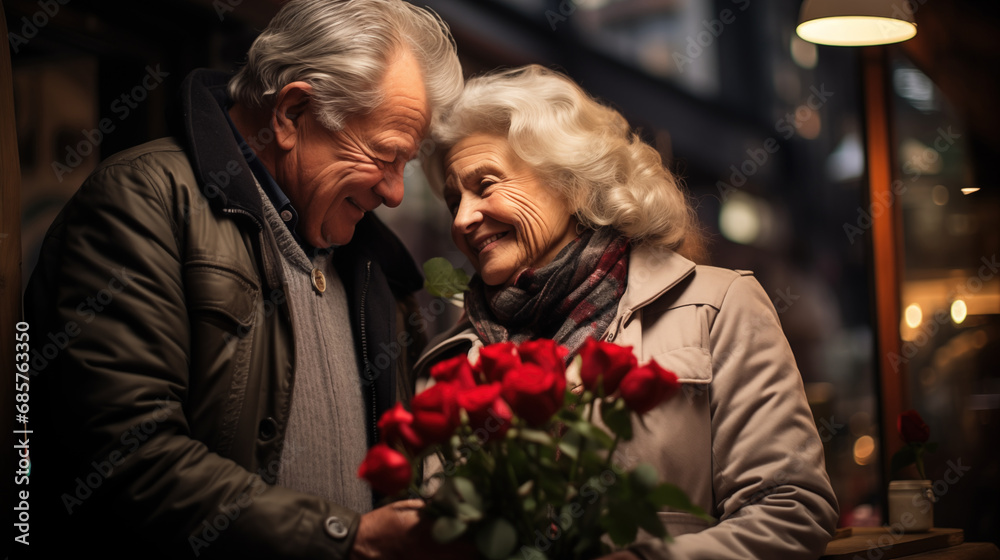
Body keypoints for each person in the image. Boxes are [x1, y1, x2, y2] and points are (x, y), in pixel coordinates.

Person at [24, 1, 466, 558]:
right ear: (290, 113)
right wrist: (345, 539)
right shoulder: (144, 203)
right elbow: (127, 456)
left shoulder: (375, 266)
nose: (395, 193)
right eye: (385, 156)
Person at [414, 64, 840, 560]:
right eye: (452, 201)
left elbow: (792, 508)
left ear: (568, 180)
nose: (463, 219)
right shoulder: (446, 362)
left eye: (484, 185)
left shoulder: (718, 307)